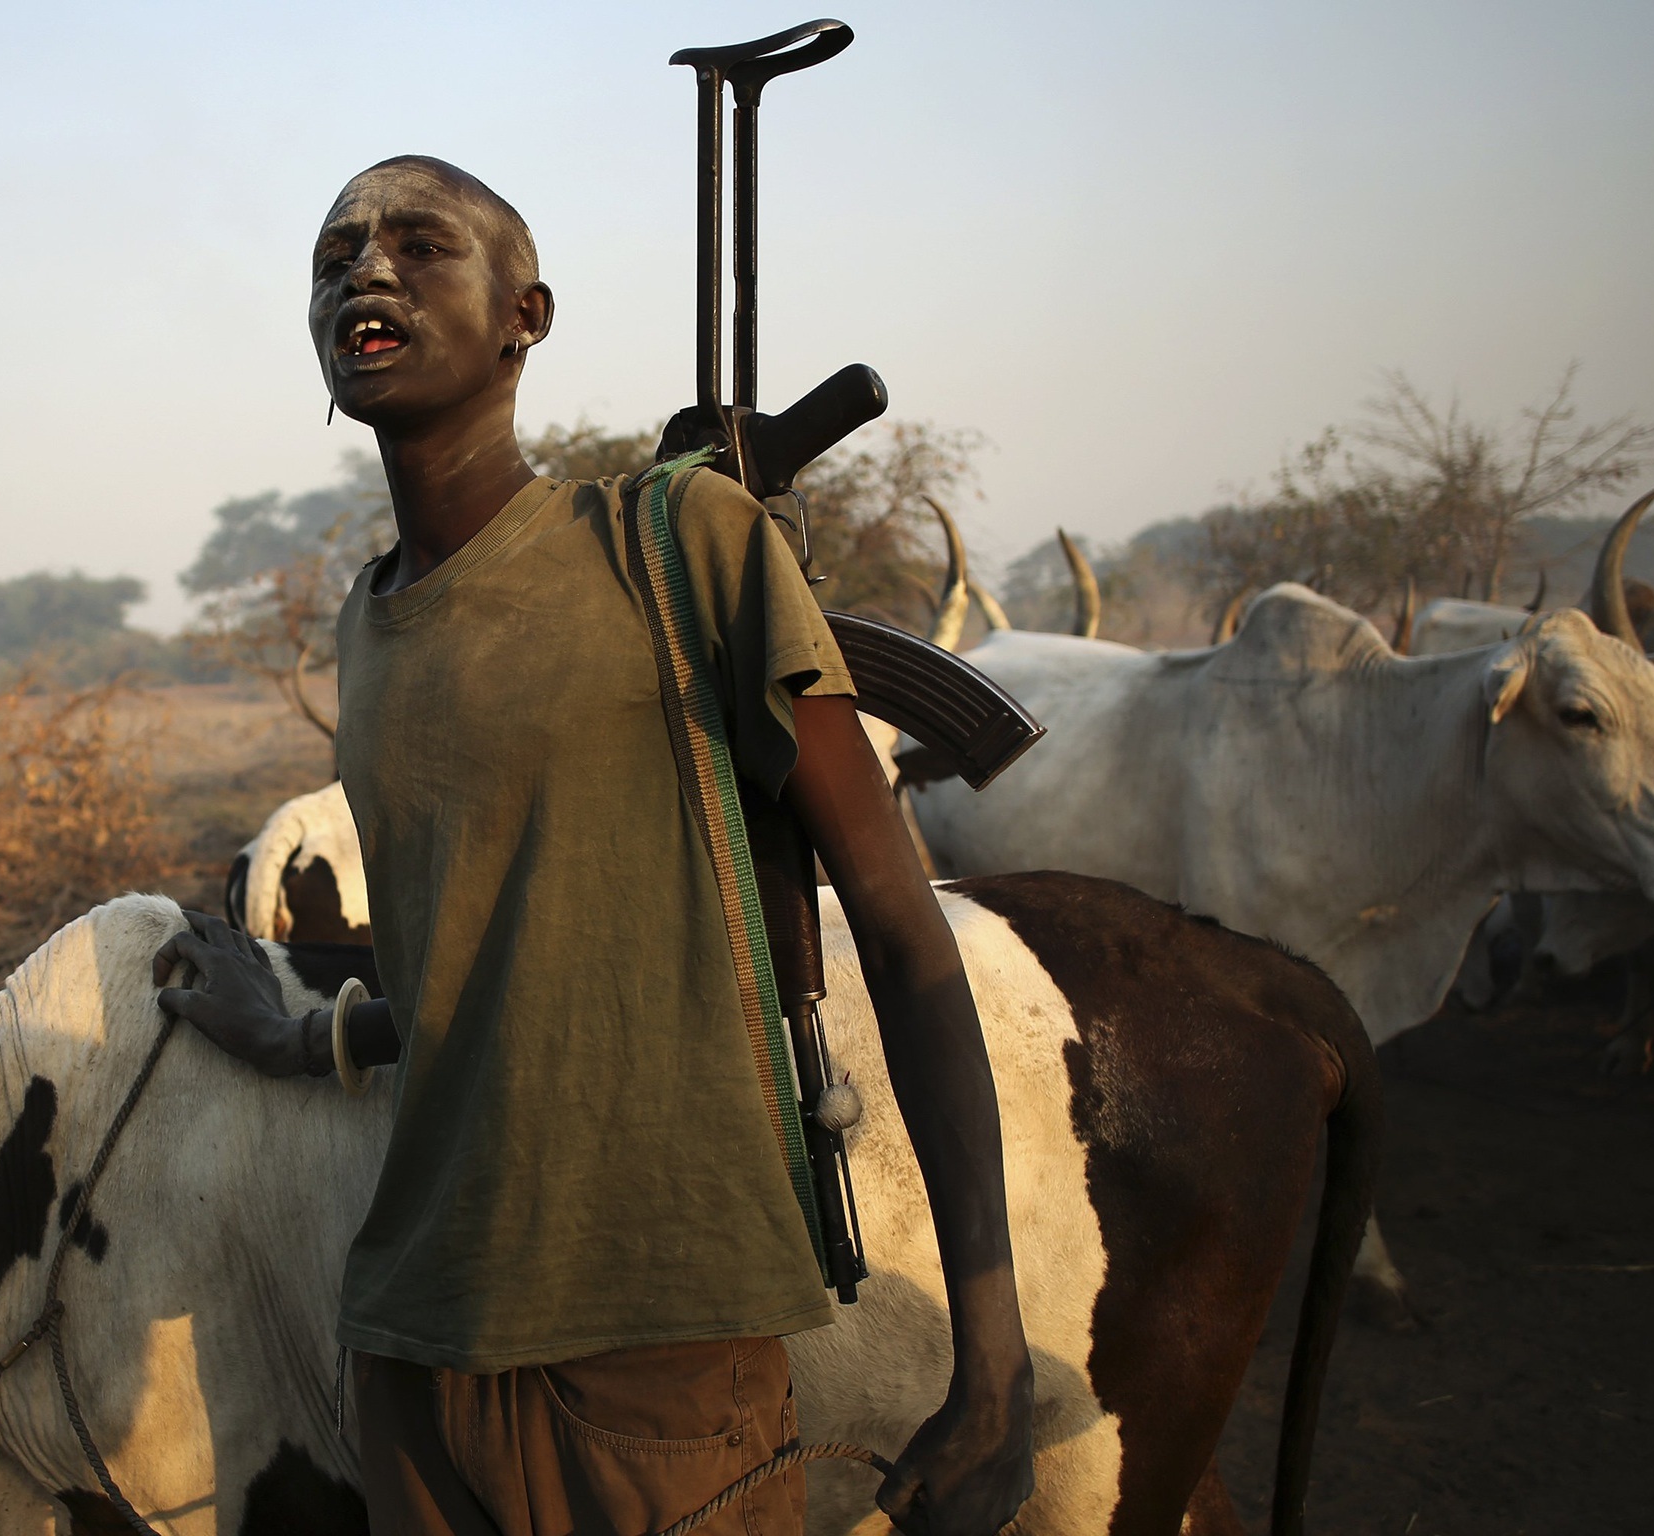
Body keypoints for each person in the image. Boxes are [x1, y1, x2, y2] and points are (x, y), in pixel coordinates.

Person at [155, 156, 1033, 1536]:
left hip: (651, 1343)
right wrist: (301, 1034)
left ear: (526, 316)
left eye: (417, 245)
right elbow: (488, 982)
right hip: (416, 1335)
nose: (363, 270)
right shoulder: (366, 626)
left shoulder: (675, 539)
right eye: (335, 255)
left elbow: (904, 930)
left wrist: (995, 1361)